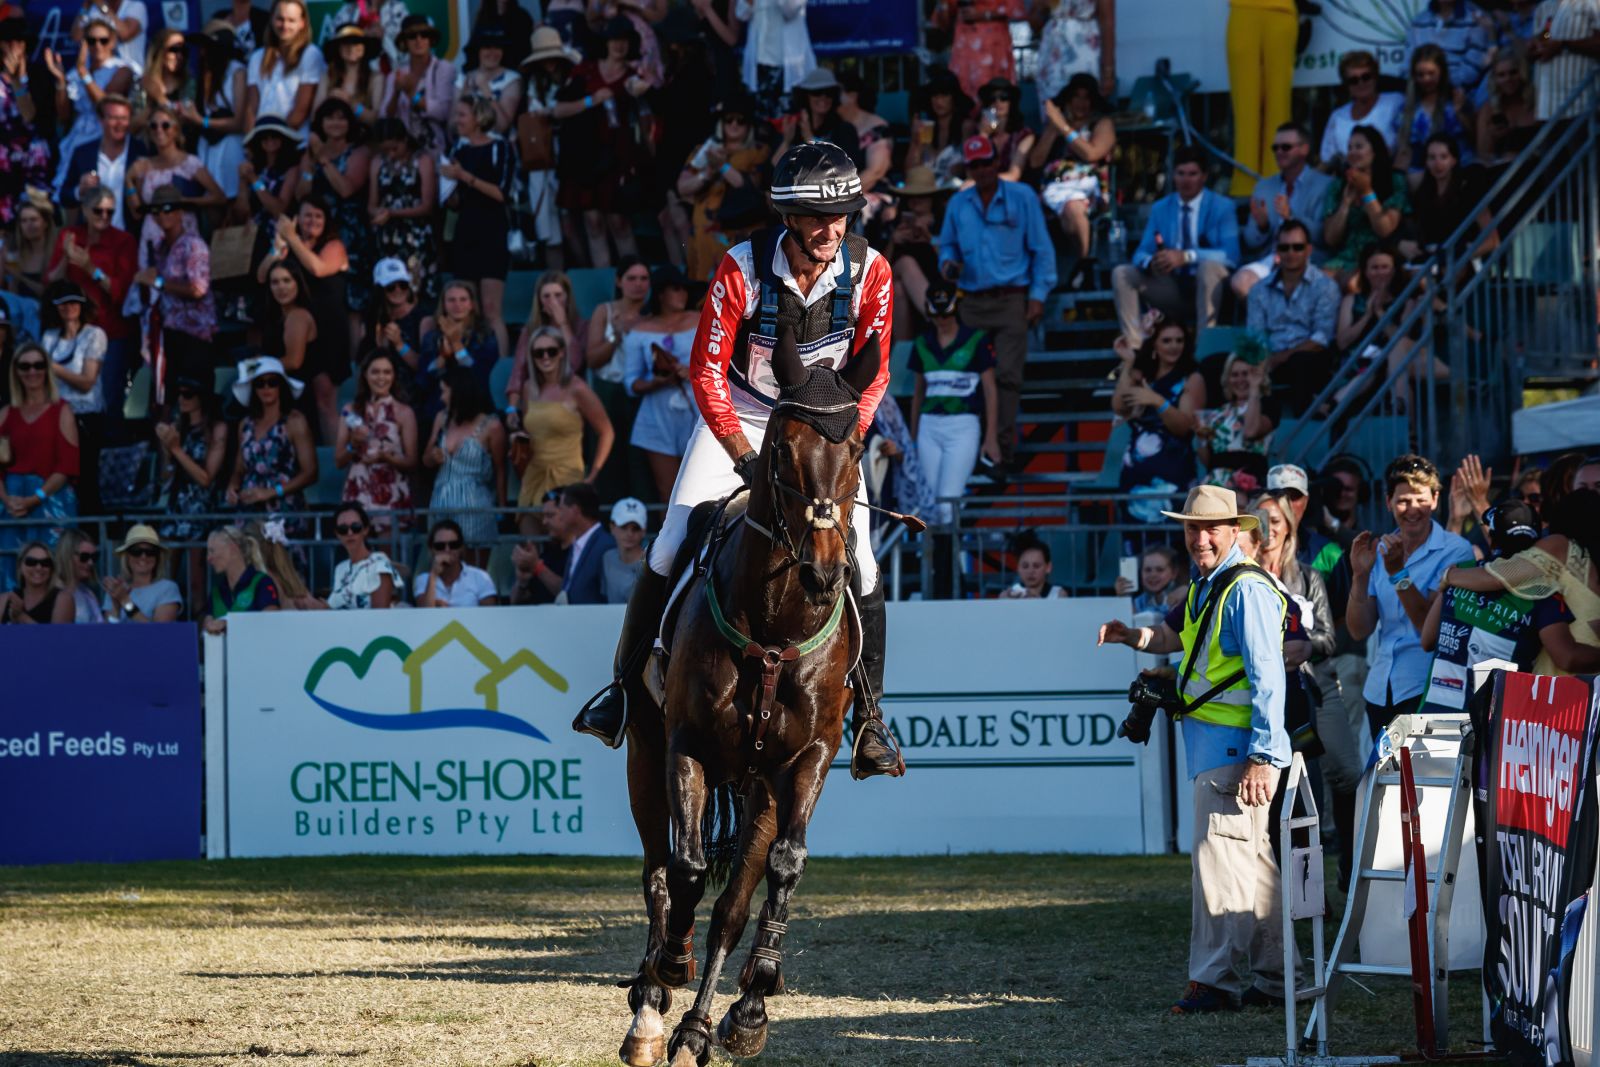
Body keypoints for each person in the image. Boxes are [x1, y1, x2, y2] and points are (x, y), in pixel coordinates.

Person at [572, 142, 904, 780]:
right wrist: (743, 456)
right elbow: (706, 372)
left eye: (840, 216)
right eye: (814, 217)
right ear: (788, 217)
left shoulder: (873, 272)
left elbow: (877, 370)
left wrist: (846, 441)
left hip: (823, 432)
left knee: (860, 560)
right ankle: (619, 691)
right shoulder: (740, 268)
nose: (829, 229)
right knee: (670, 544)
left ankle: (870, 719)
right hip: (746, 420)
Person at [1097, 485, 1290, 1013]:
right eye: (1191, 527)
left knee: (1222, 865)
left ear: (1235, 531)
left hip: (1232, 751)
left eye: (1210, 528)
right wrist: (1128, 637)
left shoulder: (1239, 589)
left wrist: (1263, 756)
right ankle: (1277, 979)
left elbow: (1268, 677)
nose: (1199, 537)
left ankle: (1215, 982)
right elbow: (1177, 640)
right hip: (1227, 748)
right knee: (1250, 863)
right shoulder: (1215, 584)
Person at [937, 133, 1055, 468]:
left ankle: (1000, 454)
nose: (983, 169)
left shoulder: (1022, 196)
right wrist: (947, 265)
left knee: (1006, 376)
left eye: (987, 162)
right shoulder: (959, 202)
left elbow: (1042, 249)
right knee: (969, 377)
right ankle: (972, 452)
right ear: (970, 168)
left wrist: (1038, 296)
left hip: (1011, 300)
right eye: (975, 165)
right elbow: (947, 248)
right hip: (971, 302)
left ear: (996, 162)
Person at [1423, 500, 1600, 708]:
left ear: (1491, 538)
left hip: (1435, 713)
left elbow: (1426, 640)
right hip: (1499, 723)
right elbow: (1567, 657)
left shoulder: (1459, 575)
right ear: (1537, 543)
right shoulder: (1543, 593)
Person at [1345, 453, 1474, 738]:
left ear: (1436, 500)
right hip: (1380, 689)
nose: (1412, 509)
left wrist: (1398, 574)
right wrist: (1359, 575)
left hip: (1427, 687)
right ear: (1388, 502)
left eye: (1421, 499)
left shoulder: (1456, 550)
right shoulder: (1379, 549)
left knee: (1421, 781)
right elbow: (1359, 629)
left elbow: (1427, 628)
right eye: (1403, 500)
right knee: (1382, 780)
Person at [1112, 146, 1240, 347]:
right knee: (1122, 273)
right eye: (1181, 174)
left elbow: (1231, 255)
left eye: (1192, 174)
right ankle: (1135, 352)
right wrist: (1151, 263)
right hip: (1173, 286)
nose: (1186, 180)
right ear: (1173, 175)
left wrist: (1187, 256)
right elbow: (1141, 252)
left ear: (1204, 176)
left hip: (1212, 290)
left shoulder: (1222, 207)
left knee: (1208, 269)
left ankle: (1204, 350)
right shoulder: (1161, 208)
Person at [908, 282, 999, 526]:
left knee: (948, 503)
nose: (941, 319)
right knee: (928, 503)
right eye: (936, 314)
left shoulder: (977, 339)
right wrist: (913, 437)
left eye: (946, 313)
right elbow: (919, 393)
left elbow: (991, 390)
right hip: (929, 426)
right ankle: (931, 560)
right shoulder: (922, 343)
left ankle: (945, 561)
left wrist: (991, 437)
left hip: (964, 425)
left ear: (955, 309)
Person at [259, 195, 350, 439]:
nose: (312, 221)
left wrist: (292, 238)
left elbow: (317, 269)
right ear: (297, 218)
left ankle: (334, 461)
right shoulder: (288, 245)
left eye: (318, 216)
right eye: (307, 215)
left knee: (324, 397)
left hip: (328, 329)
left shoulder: (334, 246)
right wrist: (278, 247)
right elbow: (262, 276)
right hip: (296, 327)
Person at [511, 326, 611, 534]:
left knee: (565, 551)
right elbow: (531, 428)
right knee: (532, 549)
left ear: (562, 352)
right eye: (539, 352)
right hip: (533, 478)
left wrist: (593, 475)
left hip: (567, 480)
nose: (545, 357)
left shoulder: (577, 388)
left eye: (551, 351)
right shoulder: (529, 387)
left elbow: (606, 431)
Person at [442, 93, 515, 360]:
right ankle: (467, 360)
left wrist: (465, 177)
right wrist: (449, 191)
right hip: (465, 230)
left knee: (491, 307)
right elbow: (456, 201)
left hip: (493, 230)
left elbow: (502, 193)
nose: (457, 120)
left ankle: (501, 365)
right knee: (465, 305)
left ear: (478, 117)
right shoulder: (457, 151)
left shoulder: (500, 148)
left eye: (462, 115)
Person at [0, 342, 79, 578]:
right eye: (25, 366)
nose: (32, 371)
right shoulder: (5, 414)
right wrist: (6, 500)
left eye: (38, 365)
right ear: (16, 371)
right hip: (11, 504)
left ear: (47, 370)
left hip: (49, 499)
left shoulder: (62, 410)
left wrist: (36, 498)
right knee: (8, 570)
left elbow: (67, 466)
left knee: (52, 570)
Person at [1245, 218, 1341, 413]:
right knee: (1215, 365)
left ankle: (1303, 426)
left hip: (1310, 359)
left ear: (1309, 250)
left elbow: (1321, 338)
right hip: (1269, 361)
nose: (1291, 253)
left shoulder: (1325, 286)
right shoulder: (1259, 289)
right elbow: (1255, 335)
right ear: (1277, 251)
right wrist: (1265, 360)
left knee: (1302, 363)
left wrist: (1280, 358)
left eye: (1297, 247)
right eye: (1285, 247)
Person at [677, 90, 772, 281]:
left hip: (740, 232)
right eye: (729, 120)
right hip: (704, 232)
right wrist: (707, 173)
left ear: (749, 125)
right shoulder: (704, 150)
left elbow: (749, 187)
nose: (734, 125)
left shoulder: (759, 151)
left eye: (740, 120)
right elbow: (683, 187)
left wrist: (722, 166)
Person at [1232, 121, 1334, 298]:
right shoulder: (1263, 186)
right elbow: (1250, 240)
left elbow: (1324, 236)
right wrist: (1262, 227)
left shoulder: (1324, 185)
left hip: (1309, 259)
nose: (1279, 152)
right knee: (1241, 282)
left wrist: (1292, 217)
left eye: (1286, 147)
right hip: (1272, 258)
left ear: (1304, 149)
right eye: (1275, 148)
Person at [622, 265, 698, 501]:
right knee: (667, 490)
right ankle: (672, 539)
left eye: (685, 289)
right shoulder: (639, 331)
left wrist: (692, 372)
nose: (682, 294)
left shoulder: (701, 320)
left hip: (698, 408)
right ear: (660, 294)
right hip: (657, 415)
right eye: (676, 289)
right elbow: (631, 383)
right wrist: (656, 382)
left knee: (699, 484)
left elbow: (720, 362)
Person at [1029, 73, 1117, 276]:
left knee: (1073, 206)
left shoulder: (1102, 124)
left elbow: (1091, 153)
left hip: (1088, 189)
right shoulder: (1056, 126)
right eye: (1076, 96)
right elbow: (1035, 162)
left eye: (1086, 97)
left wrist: (1064, 127)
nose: (1081, 103)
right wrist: (1053, 130)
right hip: (1053, 189)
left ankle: (1084, 262)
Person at [133, 184, 216, 396]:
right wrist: (145, 283)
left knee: (196, 397)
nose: (162, 215)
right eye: (156, 211)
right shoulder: (159, 247)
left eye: (168, 208)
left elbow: (198, 289)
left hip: (195, 334)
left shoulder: (193, 245)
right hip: (169, 333)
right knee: (170, 396)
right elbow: (150, 295)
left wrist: (158, 282)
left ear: (180, 212)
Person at [304, 96, 372, 339]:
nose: (335, 123)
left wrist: (323, 158)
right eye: (329, 117)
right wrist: (310, 161)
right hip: (319, 234)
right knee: (324, 300)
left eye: (341, 118)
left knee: (353, 305)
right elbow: (302, 192)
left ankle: (354, 367)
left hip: (351, 235)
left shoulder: (359, 152)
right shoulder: (313, 153)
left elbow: (346, 189)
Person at [1112, 317, 1204, 496]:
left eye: (1179, 340)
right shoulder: (1144, 374)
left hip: (1173, 471)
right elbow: (1119, 407)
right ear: (1154, 344)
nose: (1174, 346)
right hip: (1135, 472)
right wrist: (1129, 363)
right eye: (1166, 340)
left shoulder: (1192, 378)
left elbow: (1184, 428)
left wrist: (1157, 401)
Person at [48, 15, 134, 196]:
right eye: (91, 41)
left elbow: (105, 107)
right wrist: (61, 82)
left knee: (99, 191)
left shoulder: (122, 69)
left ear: (113, 42)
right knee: (73, 189)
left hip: (105, 137)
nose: (98, 46)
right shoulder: (77, 70)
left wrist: (84, 74)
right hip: (78, 136)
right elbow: (63, 116)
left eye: (103, 40)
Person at [424, 366, 505, 552]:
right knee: (442, 565)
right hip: (440, 503)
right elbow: (425, 459)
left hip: (475, 507)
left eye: (444, 391)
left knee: (473, 570)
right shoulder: (441, 418)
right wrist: (432, 456)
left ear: (458, 391)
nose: (441, 397)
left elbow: (500, 470)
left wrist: (501, 510)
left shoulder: (491, 425)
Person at [226, 355, 317, 520]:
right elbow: (239, 468)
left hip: (284, 510)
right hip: (249, 508)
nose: (266, 388)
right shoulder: (245, 424)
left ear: (281, 386)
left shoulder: (295, 421)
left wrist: (272, 492)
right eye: (260, 383)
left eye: (272, 382)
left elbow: (311, 472)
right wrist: (233, 485)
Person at [1223, 0, 1297, 197]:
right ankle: (1244, 185)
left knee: (1278, 106)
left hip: (1282, 10)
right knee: (1245, 109)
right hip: (1242, 9)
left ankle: (1278, 180)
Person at [337, 349, 416, 530]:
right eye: (375, 372)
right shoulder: (350, 410)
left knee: (387, 556)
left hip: (390, 492)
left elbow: (412, 462)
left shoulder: (404, 412)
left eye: (387, 372)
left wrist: (385, 457)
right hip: (358, 490)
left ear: (394, 376)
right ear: (365, 375)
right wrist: (353, 445)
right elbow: (339, 460)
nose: (381, 378)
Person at [1321, 124, 1408, 282]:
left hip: (1378, 259)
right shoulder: (1338, 185)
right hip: (1344, 260)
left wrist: (1367, 193)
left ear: (1374, 151)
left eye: (1359, 147)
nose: (1353, 152)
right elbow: (1330, 239)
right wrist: (1345, 204)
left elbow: (1385, 229)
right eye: (1350, 148)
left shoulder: (1394, 181)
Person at [367, 120, 439, 307]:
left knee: (415, 291)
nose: (391, 154)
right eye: (386, 150)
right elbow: (371, 204)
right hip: (387, 237)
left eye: (394, 148)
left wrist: (393, 213)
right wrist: (379, 213)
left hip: (415, 236)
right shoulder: (378, 162)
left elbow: (427, 205)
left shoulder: (422, 160)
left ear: (404, 140)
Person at [511, 480, 615, 605]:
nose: (544, 522)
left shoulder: (606, 547)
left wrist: (537, 567)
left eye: (561, 509)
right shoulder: (577, 546)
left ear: (575, 511)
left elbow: (610, 596)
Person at [155, 373, 226, 545]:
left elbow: (205, 479)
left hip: (201, 509)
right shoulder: (177, 427)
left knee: (196, 569)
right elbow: (165, 476)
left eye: (187, 395)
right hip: (175, 506)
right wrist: (165, 448)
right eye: (178, 394)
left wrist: (176, 449)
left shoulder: (217, 429)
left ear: (201, 398)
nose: (181, 399)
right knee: (165, 567)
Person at [417, 279, 498, 426]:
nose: (457, 305)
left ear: (471, 304)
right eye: (451, 300)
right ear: (444, 305)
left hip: (476, 405)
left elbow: (479, 376)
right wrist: (442, 358)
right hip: (438, 406)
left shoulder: (486, 335)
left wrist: (456, 344)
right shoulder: (432, 337)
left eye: (463, 299)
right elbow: (423, 380)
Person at [57, 93, 146, 224]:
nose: (119, 124)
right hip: (93, 238)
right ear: (101, 120)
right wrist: (79, 190)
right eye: (113, 118)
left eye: (124, 118)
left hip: (131, 238)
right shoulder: (83, 152)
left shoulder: (141, 152)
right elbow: (65, 197)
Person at [184, 22, 248, 202]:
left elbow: (239, 123)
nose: (203, 52)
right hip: (207, 150)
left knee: (231, 207)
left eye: (208, 46)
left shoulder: (237, 71)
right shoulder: (204, 73)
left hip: (231, 150)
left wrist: (202, 121)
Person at [245, 0, 325, 134]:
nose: (285, 25)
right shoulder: (257, 57)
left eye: (291, 20)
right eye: (280, 19)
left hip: (293, 142)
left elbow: (300, 112)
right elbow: (252, 109)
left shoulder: (310, 54)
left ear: (302, 23)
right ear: (271, 19)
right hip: (260, 142)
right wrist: (252, 143)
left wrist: (275, 142)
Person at [1197, 354, 1277, 488]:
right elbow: (1207, 461)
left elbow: (1251, 432)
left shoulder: (1267, 405)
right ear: (1227, 379)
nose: (1240, 380)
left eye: (1246, 374)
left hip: (1250, 482)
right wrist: (1200, 437)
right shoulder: (1216, 414)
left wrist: (1254, 389)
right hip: (1217, 483)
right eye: (1234, 375)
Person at [1395, 43, 1474, 178]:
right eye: (1421, 74)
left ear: (1441, 72)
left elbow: (1475, 136)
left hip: (1459, 168)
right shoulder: (1408, 107)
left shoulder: (1456, 99)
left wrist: (1460, 112)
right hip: (1422, 173)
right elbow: (1404, 148)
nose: (1426, 79)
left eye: (1431, 73)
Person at [506, 270, 586, 402]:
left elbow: (575, 364)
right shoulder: (530, 330)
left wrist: (563, 324)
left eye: (558, 295)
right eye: (546, 296)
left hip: (570, 394)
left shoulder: (581, 326)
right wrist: (512, 407)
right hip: (538, 394)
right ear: (539, 300)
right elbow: (519, 371)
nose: (553, 301)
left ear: (567, 297)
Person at [1319, 50, 1405, 165]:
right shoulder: (1337, 117)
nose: (1361, 83)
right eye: (1353, 80)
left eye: (1366, 77)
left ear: (1375, 77)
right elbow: (1327, 159)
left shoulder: (1396, 102)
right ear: (1346, 85)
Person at [309, 502, 399, 609]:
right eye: (343, 529)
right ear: (337, 534)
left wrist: (329, 612)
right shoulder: (340, 568)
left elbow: (380, 616)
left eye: (355, 527)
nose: (350, 533)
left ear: (365, 530)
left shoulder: (380, 563)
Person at [934, 0, 1027, 102]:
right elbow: (942, 22)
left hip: (993, 48)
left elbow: (1016, 10)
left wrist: (983, 14)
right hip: (965, 49)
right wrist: (942, 4)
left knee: (995, 95)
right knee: (962, 97)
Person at [734, 0, 815, 117]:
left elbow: (790, 10)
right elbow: (741, 13)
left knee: (789, 123)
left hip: (788, 69)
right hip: (759, 65)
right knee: (761, 122)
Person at [1528, 0, 1600, 123]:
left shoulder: (1594, 3)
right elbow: (1547, 34)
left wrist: (1564, 44)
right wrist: (1538, 43)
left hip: (1582, 106)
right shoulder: (1545, 6)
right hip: (1547, 109)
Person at [201, 524, 281, 632]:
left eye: (212, 551)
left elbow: (272, 623)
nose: (208, 558)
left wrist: (228, 624)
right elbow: (207, 625)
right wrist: (208, 625)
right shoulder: (217, 592)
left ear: (232, 548)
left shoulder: (262, 583)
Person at [1406, 0, 1494, 99]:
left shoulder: (1476, 20)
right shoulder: (1418, 22)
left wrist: (1439, 85)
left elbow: (1471, 70)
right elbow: (1408, 64)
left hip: (1459, 95)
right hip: (1422, 94)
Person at [1032, 0, 1113, 106]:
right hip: (1052, 55)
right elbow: (1034, 24)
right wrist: (1041, 7)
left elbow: (1107, 22)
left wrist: (1108, 70)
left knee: (1083, 99)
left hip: (1084, 50)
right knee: (1052, 107)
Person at [102, 523, 182, 622]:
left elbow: (160, 634)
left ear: (157, 557)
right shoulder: (116, 588)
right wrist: (116, 607)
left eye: (150, 552)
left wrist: (125, 602)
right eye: (136, 551)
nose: (143, 556)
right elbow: (107, 634)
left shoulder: (168, 588)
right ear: (127, 556)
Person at [905, 66, 972, 182]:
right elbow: (909, 172)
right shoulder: (925, 128)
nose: (939, 101)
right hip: (925, 190)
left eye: (944, 95)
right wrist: (916, 141)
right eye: (935, 95)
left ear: (954, 97)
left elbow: (970, 166)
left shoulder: (966, 126)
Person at [1475, 51, 1541, 166]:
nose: (1508, 79)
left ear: (1522, 73)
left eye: (1513, 72)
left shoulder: (1537, 103)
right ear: (1495, 79)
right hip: (1501, 171)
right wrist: (1492, 136)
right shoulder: (1488, 109)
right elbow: (1483, 155)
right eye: (1501, 75)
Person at [414, 517, 498, 606]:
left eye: (453, 545)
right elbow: (425, 615)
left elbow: (489, 614)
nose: (447, 550)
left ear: (461, 547)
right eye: (440, 546)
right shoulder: (423, 580)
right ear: (432, 549)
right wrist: (433, 576)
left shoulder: (480, 577)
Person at [456, 25, 523, 135]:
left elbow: (502, 126)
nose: (493, 52)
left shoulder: (512, 79)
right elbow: (452, 128)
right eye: (487, 47)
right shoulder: (463, 78)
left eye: (497, 47)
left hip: (497, 146)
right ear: (478, 50)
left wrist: (486, 90)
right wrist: (464, 95)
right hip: (466, 145)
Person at [965, 76, 1033, 183]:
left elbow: (1014, 175)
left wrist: (978, 181)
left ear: (1012, 102)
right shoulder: (978, 135)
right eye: (992, 98)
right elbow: (970, 173)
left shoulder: (1024, 135)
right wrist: (983, 136)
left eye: (1004, 97)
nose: (998, 102)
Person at [314, 24, 382, 123]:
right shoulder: (327, 77)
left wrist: (350, 103)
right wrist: (329, 101)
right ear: (338, 48)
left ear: (365, 47)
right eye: (345, 43)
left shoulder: (376, 78)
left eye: (356, 42)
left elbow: (376, 119)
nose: (351, 47)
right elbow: (315, 116)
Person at [0, 539, 72, 622]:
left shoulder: (62, 599)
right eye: (31, 562)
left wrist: (21, 616)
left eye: (45, 563)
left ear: (51, 569)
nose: (38, 568)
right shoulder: (4, 600)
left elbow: (57, 635)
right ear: (20, 567)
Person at [1114, 543, 1188, 614]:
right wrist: (1124, 598)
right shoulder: (1140, 601)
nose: (1153, 575)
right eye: (1147, 570)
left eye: (1160, 569)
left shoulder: (1182, 596)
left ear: (1174, 573)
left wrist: (1188, 592)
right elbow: (1133, 623)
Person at [602, 496, 647, 604]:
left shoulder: (650, 564)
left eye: (635, 528)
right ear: (612, 527)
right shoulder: (607, 558)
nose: (629, 534)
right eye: (623, 527)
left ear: (643, 531)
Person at [999, 538, 1068, 598]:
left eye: (1036, 566)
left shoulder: (1059, 594)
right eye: (1025, 566)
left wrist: (1038, 601)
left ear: (1048, 567)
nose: (1030, 571)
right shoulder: (1008, 596)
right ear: (1018, 568)